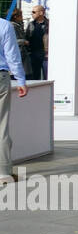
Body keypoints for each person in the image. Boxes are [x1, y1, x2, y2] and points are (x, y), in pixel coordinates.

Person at [0, 15, 29, 185]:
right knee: (1, 125)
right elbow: (12, 55)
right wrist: (21, 80)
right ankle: (3, 172)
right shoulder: (4, 26)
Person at [23, 4, 48, 82]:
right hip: (34, 53)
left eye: (34, 12)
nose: (32, 14)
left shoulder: (49, 24)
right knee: (34, 76)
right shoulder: (31, 24)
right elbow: (27, 37)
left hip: (46, 54)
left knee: (47, 75)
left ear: (41, 13)